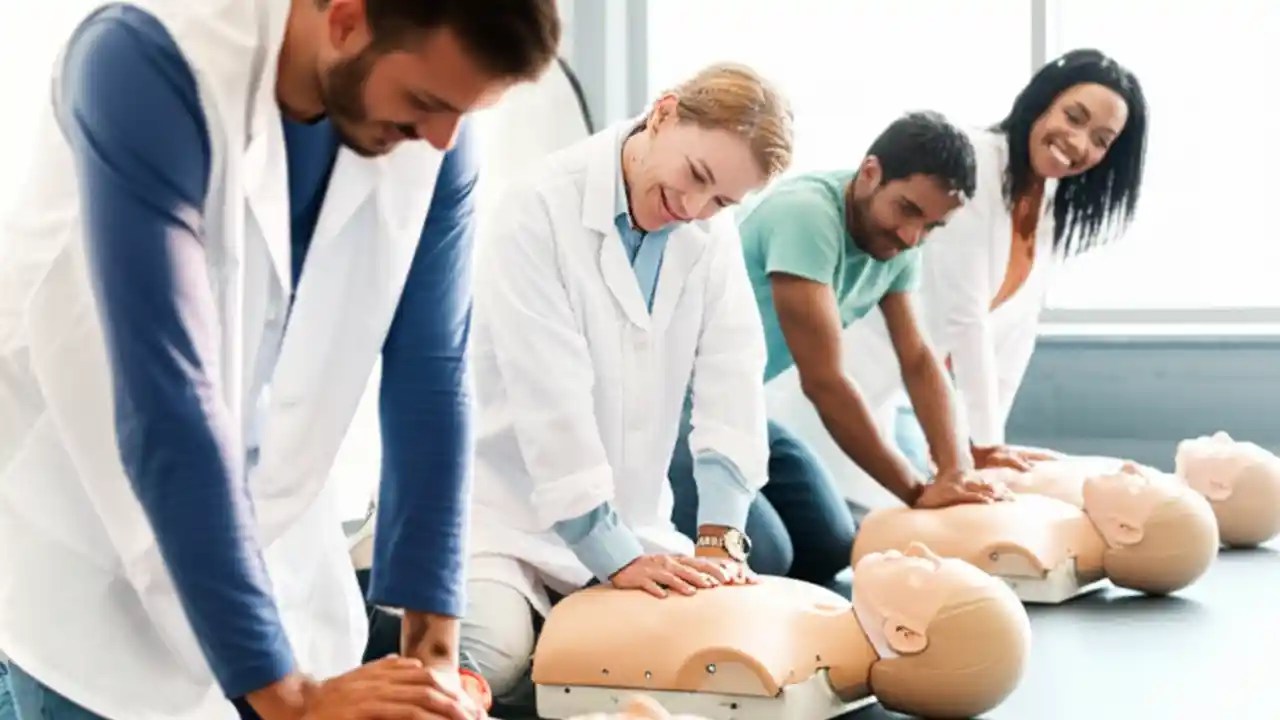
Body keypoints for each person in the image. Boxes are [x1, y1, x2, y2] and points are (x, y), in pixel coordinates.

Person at [0, 1, 559, 719]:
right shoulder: (143, 59)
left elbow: (431, 372)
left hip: (270, 530)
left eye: (462, 113)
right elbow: (167, 396)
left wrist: (434, 655)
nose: (442, 139)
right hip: (91, 527)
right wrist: (289, 698)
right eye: (426, 102)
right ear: (347, 19)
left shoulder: (437, 133)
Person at [457, 63, 794, 716]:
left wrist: (720, 541)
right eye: (697, 176)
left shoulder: (706, 233)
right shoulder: (540, 207)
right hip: (504, 516)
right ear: (664, 112)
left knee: (720, 640)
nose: (695, 210)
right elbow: (548, 400)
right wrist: (609, 553)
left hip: (633, 522)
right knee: (496, 660)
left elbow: (732, 377)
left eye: (722, 201)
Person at [670, 111, 1011, 593]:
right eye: (907, 210)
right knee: (767, 555)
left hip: (733, 405)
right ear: (870, 172)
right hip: (665, 403)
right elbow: (825, 381)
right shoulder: (807, 215)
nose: (912, 237)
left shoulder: (900, 246)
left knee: (830, 544)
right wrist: (917, 490)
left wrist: (954, 470)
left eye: (933, 226)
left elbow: (917, 358)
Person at [846, 49, 1148, 476]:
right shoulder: (974, 162)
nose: (1079, 143)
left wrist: (988, 446)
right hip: (852, 377)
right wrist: (983, 445)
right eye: (1074, 117)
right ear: (1042, 101)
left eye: (1101, 139)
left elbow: (1014, 338)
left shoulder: (1047, 203)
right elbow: (964, 316)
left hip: (906, 400)